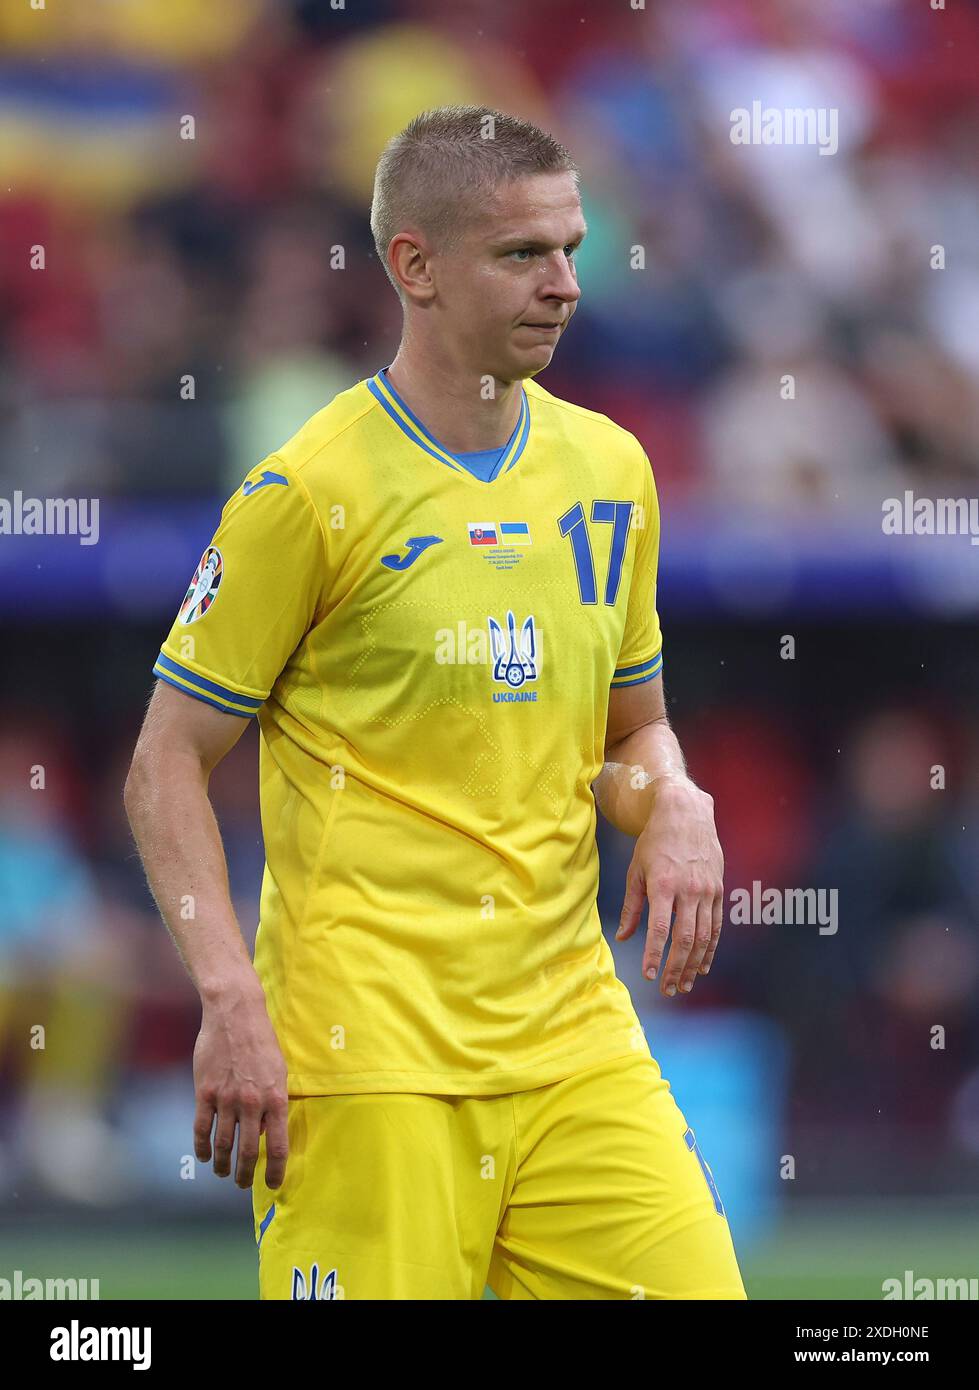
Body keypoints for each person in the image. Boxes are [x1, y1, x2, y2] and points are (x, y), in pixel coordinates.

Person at [124, 104, 745, 1301]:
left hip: (575, 1046)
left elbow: (633, 725)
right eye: (522, 254)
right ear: (414, 265)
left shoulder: (612, 471)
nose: (564, 284)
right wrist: (228, 994)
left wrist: (674, 796)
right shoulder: (308, 491)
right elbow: (164, 762)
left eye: (571, 248)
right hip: (367, 1062)